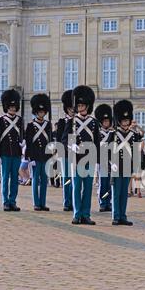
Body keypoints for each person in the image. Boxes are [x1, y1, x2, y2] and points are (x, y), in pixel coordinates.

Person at [62, 85, 100, 225]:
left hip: (89, 158)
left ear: (87, 106)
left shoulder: (94, 123)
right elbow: (64, 138)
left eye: (82, 105)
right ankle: (77, 213)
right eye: (78, 105)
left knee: (88, 188)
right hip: (76, 158)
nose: (80, 107)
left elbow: (97, 142)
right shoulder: (71, 121)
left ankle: (86, 214)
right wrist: (72, 145)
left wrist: (97, 161)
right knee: (77, 187)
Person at [111, 100, 142, 226]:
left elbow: (135, 150)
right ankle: (116, 216)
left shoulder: (133, 135)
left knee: (124, 193)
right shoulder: (113, 134)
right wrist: (109, 163)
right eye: (123, 121)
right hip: (116, 166)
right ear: (119, 121)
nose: (125, 122)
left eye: (127, 121)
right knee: (116, 193)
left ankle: (123, 216)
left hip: (127, 166)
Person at [0, 89, 24, 212]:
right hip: (5, 153)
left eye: (14, 107)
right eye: (10, 107)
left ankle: (13, 201)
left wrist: (23, 143)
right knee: (5, 178)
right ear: (6, 107)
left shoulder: (20, 120)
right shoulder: (1, 120)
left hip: (16, 153)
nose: (12, 109)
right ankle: (5, 201)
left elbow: (22, 135)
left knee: (15, 179)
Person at [25, 93, 52, 211]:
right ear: (36, 112)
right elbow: (29, 142)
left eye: (43, 112)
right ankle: (36, 203)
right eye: (39, 112)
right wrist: (29, 157)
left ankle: (43, 202)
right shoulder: (31, 125)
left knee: (44, 180)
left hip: (45, 156)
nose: (41, 114)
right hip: (35, 155)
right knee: (35, 180)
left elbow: (50, 140)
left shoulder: (48, 124)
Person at [94, 104, 113, 212]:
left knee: (109, 184)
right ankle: (102, 202)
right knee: (102, 183)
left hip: (110, 160)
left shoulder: (112, 133)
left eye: (108, 121)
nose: (107, 123)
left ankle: (108, 202)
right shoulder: (98, 133)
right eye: (105, 121)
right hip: (101, 159)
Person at [57, 90, 74, 211]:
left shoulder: (79, 121)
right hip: (65, 151)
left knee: (75, 179)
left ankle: (73, 200)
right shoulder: (63, 122)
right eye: (70, 109)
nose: (72, 111)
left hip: (76, 152)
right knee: (66, 178)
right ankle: (66, 202)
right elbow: (60, 137)